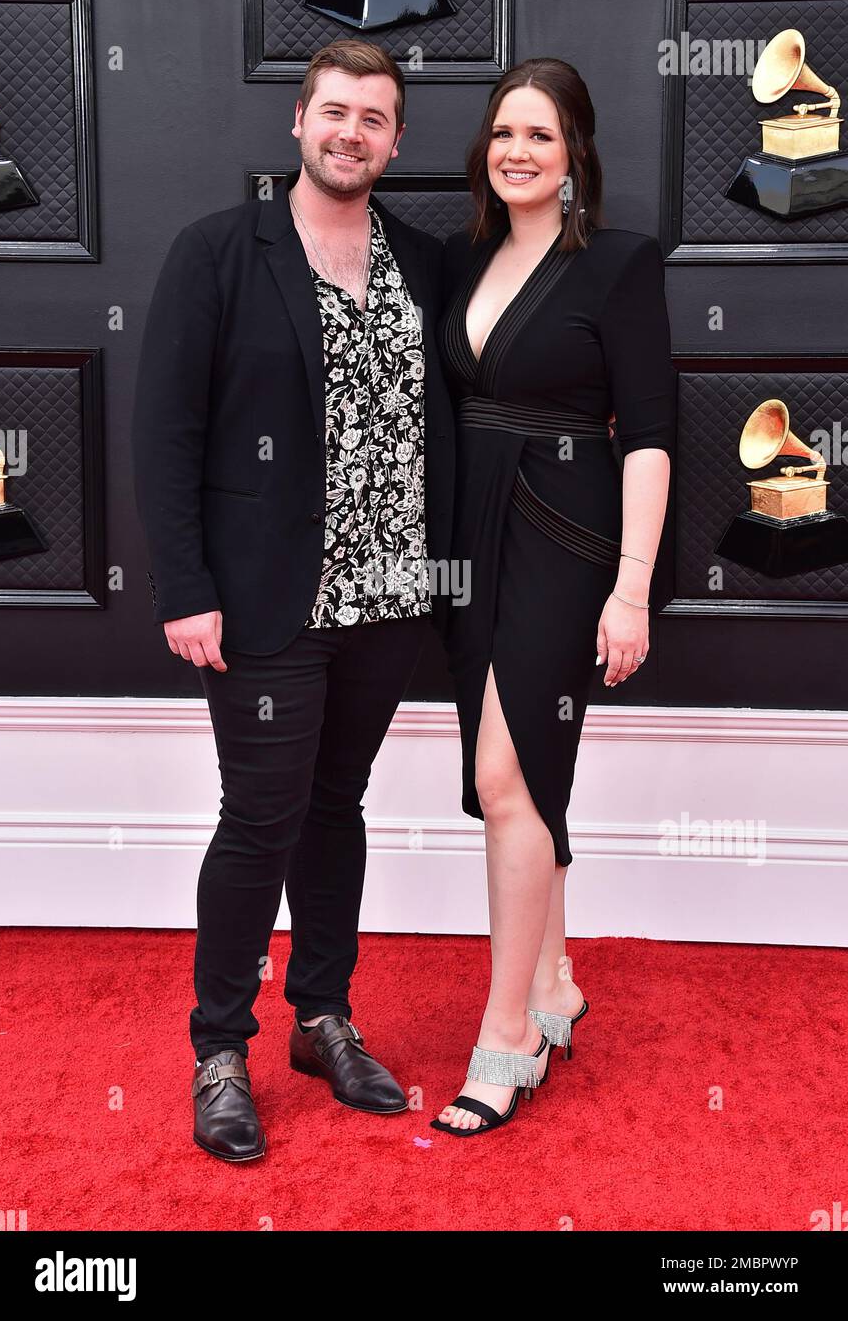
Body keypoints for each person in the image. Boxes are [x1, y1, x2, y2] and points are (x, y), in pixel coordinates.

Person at [131, 40, 455, 1162]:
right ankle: (220, 1048)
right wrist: (186, 587)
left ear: (396, 140)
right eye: (333, 111)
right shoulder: (220, 253)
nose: (350, 131)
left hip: (387, 595)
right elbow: (165, 433)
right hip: (264, 599)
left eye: (373, 117)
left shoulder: (422, 261)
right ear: (298, 125)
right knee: (259, 818)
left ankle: (322, 1018)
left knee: (336, 806)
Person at [431, 57, 676, 1136]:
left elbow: (653, 435)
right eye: (500, 135)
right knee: (524, 779)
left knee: (505, 769)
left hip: (568, 532)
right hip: (471, 532)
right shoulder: (464, 257)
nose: (516, 152)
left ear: (575, 154)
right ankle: (556, 979)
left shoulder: (619, 265)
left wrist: (629, 590)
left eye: (538, 135)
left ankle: (508, 1034)